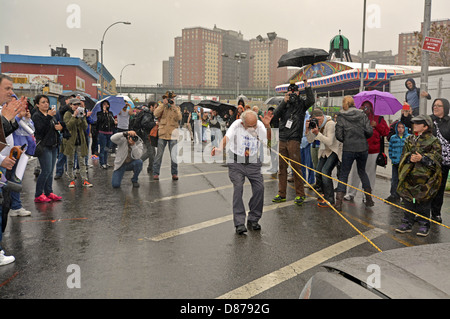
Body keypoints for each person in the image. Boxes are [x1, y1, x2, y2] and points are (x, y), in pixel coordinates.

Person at [211, 110, 273, 234]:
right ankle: (239, 223)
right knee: (238, 188)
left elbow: (269, 141)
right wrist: (219, 148)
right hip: (236, 162)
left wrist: (268, 127)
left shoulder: (259, 125)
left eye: (255, 125)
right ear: (243, 123)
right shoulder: (236, 125)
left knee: (259, 188)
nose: (253, 128)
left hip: (253, 162)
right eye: (250, 126)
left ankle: (253, 218)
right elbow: (226, 137)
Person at [395, 114, 442, 237]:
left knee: (424, 201)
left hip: (425, 178)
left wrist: (422, 158)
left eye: (418, 123)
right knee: (408, 200)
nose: (414, 125)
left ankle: (424, 224)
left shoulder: (433, 141)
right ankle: (407, 222)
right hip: (410, 177)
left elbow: (437, 159)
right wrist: (409, 158)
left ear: (426, 127)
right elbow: (404, 155)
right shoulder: (409, 139)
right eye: (414, 123)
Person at [272, 78, 315, 206]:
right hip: (282, 138)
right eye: (289, 93)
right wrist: (284, 102)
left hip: (294, 139)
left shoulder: (301, 104)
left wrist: (306, 85)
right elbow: (275, 115)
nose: (291, 95)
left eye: (294, 93)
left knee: (296, 167)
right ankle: (281, 194)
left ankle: (300, 194)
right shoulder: (284, 104)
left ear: (298, 93)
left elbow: (311, 100)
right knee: (282, 168)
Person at [0, 74, 27, 266]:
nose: (11, 93)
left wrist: (12, 119)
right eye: (7, 88)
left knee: (4, 205)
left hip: (5, 162)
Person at [343, 100, 389, 203]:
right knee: (355, 172)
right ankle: (351, 193)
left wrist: (376, 125)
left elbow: (386, 132)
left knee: (370, 174)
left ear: (372, 108)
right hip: (358, 149)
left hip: (373, 151)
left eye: (368, 107)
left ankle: (367, 195)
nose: (365, 109)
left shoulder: (379, 118)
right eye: (364, 106)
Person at [334, 96, 373, 211]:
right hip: (362, 148)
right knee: (362, 172)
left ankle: (338, 203)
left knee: (344, 173)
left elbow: (339, 135)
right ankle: (369, 199)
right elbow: (369, 132)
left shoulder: (341, 116)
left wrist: (347, 140)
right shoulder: (362, 114)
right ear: (353, 103)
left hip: (349, 148)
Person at [305, 108, 341, 208]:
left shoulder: (330, 124)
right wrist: (307, 130)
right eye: (314, 120)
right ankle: (324, 194)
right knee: (319, 172)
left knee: (325, 172)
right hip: (325, 151)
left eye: (318, 120)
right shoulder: (317, 125)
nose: (317, 123)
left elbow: (329, 142)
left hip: (334, 151)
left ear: (322, 117)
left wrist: (317, 133)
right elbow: (310, 140)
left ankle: (330, 200)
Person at [32, 94, 63, 203]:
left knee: (50, 171)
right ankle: (38, 194)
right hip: (44, 146)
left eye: (47, 102)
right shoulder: (37, 116)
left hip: (53, 145)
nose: (46, 104)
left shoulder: (51, 115)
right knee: (45, 171)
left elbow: (53, 128)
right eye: (43, 102)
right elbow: (40, 130)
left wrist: (60, 128)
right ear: (37, 104)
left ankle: (48, 192)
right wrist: (48, 117)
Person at [152, 91, 182, 180]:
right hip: (162, 134)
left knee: (173, 155)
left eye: (171, 98)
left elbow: (179, 118)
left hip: (173, 135)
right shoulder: (162, 107)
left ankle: (174, 173)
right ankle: (155, 173)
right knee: (159, 155)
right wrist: (163, 105)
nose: (170, 100)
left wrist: (173, 107)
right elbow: (155, 114)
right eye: (168, 98)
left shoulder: (176, 108)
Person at [63, 98, 92, 188]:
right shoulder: (67, 114)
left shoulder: (81, 114)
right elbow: (68, 126)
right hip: (70, 141)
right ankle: (71, 180)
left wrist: (83, 118)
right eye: (74, 105)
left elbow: (85, 127)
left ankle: (84, 180)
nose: (76, 107)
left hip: (80, 141)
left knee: (82, 161)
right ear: (70, 105)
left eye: (78, 105)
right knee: (70, 161)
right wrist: (74, 117)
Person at [430, 98, 450, 223]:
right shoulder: (429, 120)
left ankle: (436, 213)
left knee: (439, 188)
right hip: (429, 160)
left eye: (439, 105)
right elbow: (413, 124)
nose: (435, 107)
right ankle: (421, 212)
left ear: (445, 108)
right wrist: (406, 115)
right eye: (434, 105)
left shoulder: (449, 122)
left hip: (444, 162)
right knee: (425, 186)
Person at [386, 121, 409, 204]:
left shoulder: (408, 137)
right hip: (395, 162)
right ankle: (394, 195)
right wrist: (392, 158)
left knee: (404, 180)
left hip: (405, 163)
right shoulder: (393, 138)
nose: (400, 129)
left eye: (402, 127)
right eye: (399, 127)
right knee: (394, 179)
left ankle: (404, 196)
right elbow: (390, 149)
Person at [133, 102, 157, 174]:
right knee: (150, 152)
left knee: (153, 151)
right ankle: (137, 163)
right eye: (155, 107)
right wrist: (154, 124)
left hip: (147, 134)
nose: (156, 109)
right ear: (151, 107)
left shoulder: (148, 113)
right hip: (146, 135)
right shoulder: (147, 114)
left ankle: (150, 167)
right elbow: (145, 124)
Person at [96, 100, 116, 169]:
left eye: (106, 104)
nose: (105, 105)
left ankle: (105, 161)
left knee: (107, 149)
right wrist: (104, 113)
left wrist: (115, 123)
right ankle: (102, 163)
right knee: (103, 148)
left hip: (109, 133)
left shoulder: (110, 113)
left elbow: (112, 122)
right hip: (102, 133)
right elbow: (100, 121)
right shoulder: (99, 113)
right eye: (104, 104)